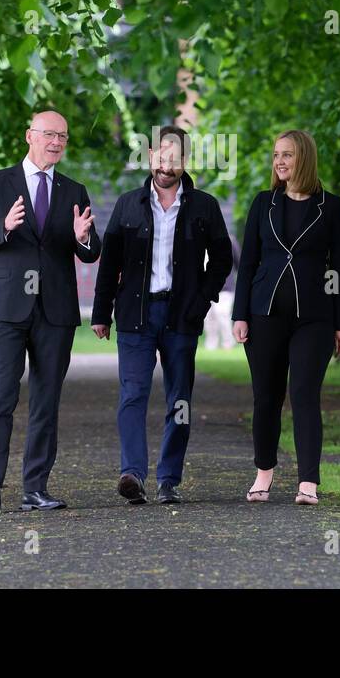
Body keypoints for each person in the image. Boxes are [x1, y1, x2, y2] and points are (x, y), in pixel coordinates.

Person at [0, 109, 101, 512]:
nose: (57, 142)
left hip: (54, 309)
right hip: (4, 308)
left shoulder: (75, 191)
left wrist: (85, 238)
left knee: (46, 400)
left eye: (63, 136)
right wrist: (4, 226)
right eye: (49, 134)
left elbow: (91, 253)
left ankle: (35, 489)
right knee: (0, 395)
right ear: (29, 136)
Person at [92, 126, 233, 505]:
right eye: (160, 157)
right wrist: (101, 313)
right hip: (136, 314)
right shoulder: (128, 205)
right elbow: (110, 264)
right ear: (150, 155)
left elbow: (223, 259)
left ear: (185, 161)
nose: (166, 166)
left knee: (180, 401)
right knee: (132, 394)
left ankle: (168, 479)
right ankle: (132, 474)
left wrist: (201, 300)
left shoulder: (204, 206)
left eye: (174, 159)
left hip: (181, 316)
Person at [231, 129, 340, 505]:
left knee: (303, 394)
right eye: (276, 155)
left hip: (314, 318)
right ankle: (263, 474)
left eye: (287, 155)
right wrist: (240, 315)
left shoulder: (331, 207)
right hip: (264, 314)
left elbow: (339, 270)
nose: (280, 162)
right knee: (266, 397)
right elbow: (247, 263)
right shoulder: (262, 203)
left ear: (305, 159)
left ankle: (308, 482)